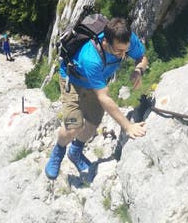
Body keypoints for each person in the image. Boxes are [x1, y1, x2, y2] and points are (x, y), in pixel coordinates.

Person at [45, 16, 149, 183]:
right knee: (74, 126)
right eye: (118, 51)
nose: (123, 55)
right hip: (73, 80)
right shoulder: (91, 57)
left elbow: (142, 58)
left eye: (126, 50)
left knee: (93, 122)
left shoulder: (125, 38)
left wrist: (138, 71)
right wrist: (127, 126)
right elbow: (104, 97)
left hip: (94, 82)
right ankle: (58, 151)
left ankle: (75, 151)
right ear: (105, 42)